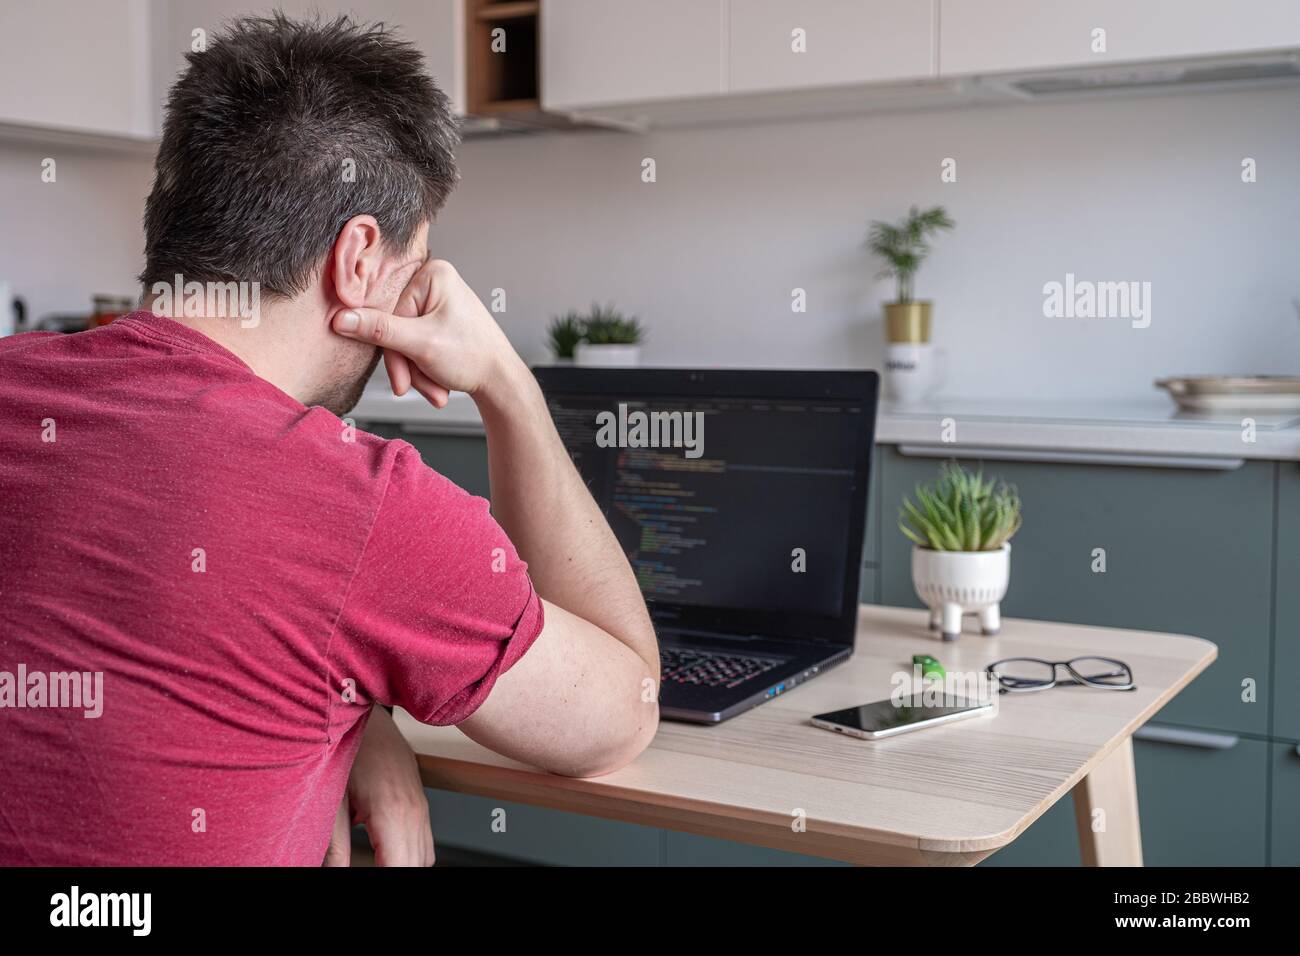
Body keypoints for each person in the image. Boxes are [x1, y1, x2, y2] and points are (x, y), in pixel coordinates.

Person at [0, 14, 658, 866]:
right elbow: (623, 709)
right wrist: (508, 386)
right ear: (358, 258)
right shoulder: (361, 504)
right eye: (416, 258)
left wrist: (356, 710)